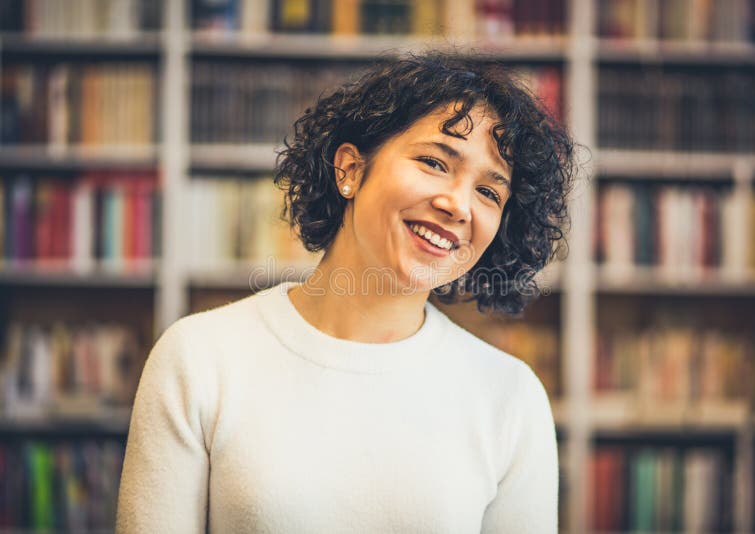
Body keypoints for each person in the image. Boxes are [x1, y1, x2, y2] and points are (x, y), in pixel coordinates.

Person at [116, 50, 576, 533]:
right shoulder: (199, 359)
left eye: (488, 192)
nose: (458, 204)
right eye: (435, 162)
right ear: (350, 170)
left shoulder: (511, 397)